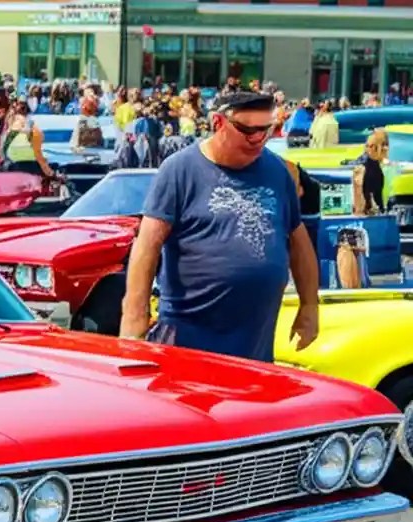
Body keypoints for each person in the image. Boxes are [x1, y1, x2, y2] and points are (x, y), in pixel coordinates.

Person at [120, 91, 319, 363]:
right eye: (248, 131)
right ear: (218, 123)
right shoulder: (179, 170)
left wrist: (310, 305)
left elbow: (298, 240)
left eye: (265, 130)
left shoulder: (276, 171)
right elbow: (147, 244)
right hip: (188, 344)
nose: (258, 140)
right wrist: (134, 315)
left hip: (254, 347)